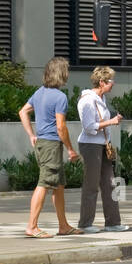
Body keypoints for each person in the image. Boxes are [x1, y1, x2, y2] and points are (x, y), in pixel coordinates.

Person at [18, 56, 81, 238]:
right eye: (66, 70)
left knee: (58, 185)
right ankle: (32, 227)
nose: (68, 74)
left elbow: (23, 111)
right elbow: (61, 127)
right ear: (61, 73)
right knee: (44, 184)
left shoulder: (39, 92)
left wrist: (31, 135)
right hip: (52, 145)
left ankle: (63, 226)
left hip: (42, 144)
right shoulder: (60, 97)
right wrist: (70, 149)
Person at [77, 66, 127, 234]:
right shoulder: (87, 101)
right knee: (91, 185)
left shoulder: (101, 99)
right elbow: (89, 128)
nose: (113, 84)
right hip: (90, 145)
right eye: (111, 81)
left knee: (110, 184)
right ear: (102, 82)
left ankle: (113, 222)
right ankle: (85, 223)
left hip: (102, 145)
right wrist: (111, 122)